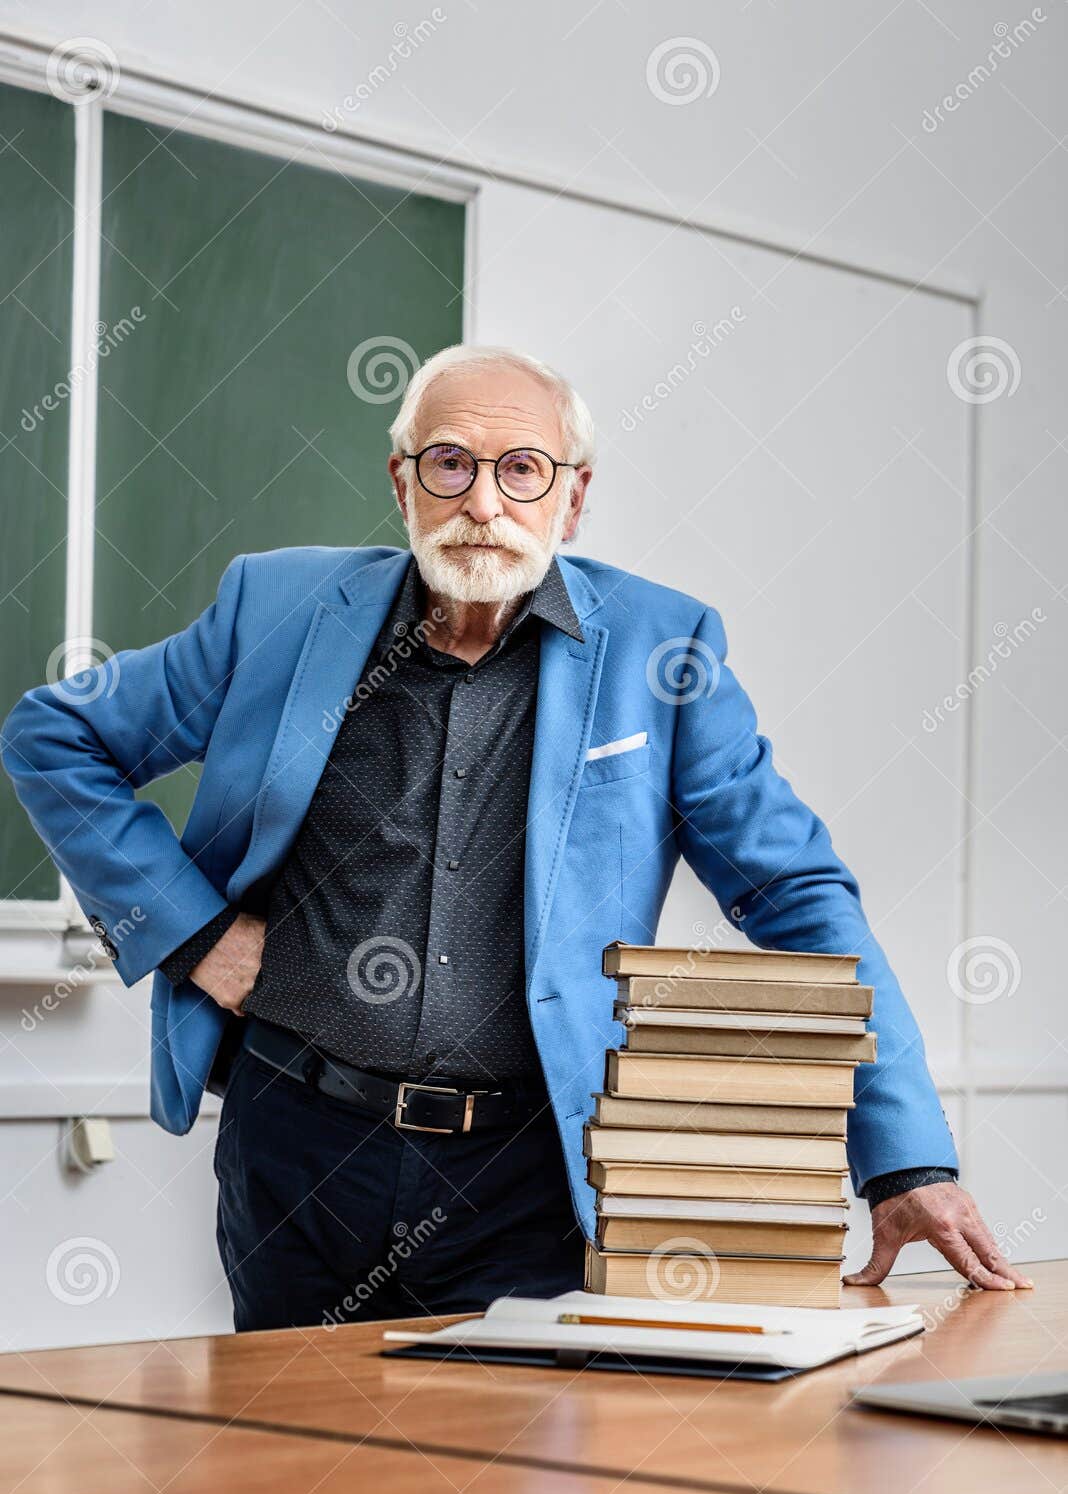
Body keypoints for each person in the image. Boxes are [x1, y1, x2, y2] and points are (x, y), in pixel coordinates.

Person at [2, 345, 1031, 1329]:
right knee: (280, 1482)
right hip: (299, 1153)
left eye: (521, 469)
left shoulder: (661, 652)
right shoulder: (277, 608)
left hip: (526, 1179)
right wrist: (194, 935)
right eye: (450, 464)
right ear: (403, 482)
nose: (482, 503)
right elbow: (53, 734)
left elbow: (800, 892)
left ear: (571, 496)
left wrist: (903, 1156)